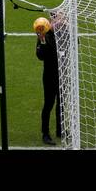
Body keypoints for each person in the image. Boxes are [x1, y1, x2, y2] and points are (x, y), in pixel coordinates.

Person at [34, 16, 63, 145]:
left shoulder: (64, 32)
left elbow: (75, 43)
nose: (61, 20)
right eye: (58, 18)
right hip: (50, 76)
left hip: (62, 74)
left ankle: (60, 130)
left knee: (61, 104)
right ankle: (45, 134)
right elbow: (40, 56)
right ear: (52, 21)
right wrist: (42, 41)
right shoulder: (44, 36)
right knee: (49, 104)